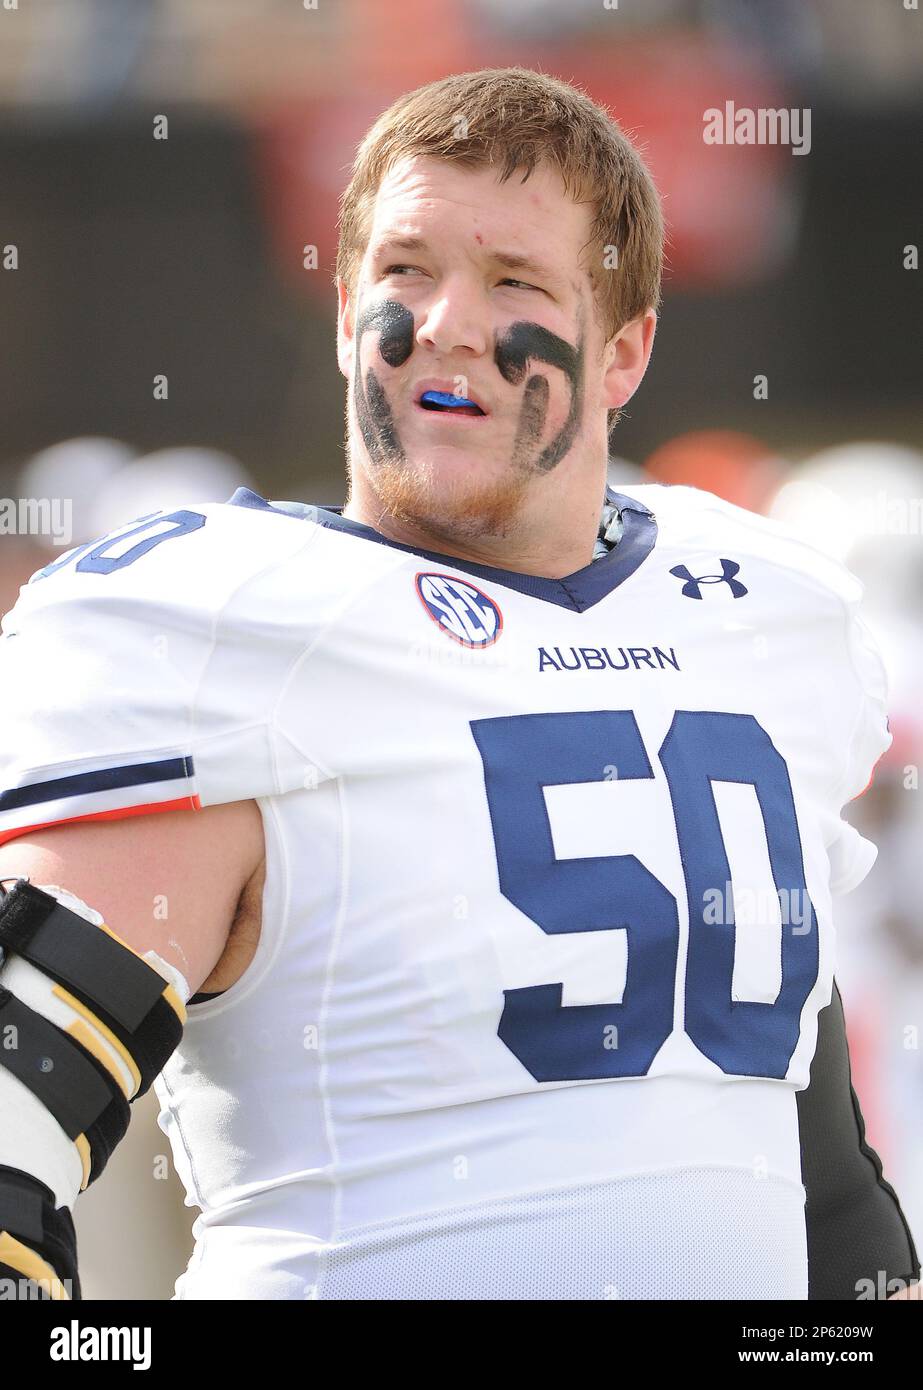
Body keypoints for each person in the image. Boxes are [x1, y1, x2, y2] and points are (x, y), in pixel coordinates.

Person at [0, 66, 918, 1301]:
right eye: (404, 270)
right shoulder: (226, 629)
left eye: (513, 281)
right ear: (342, 313)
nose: (444, 320)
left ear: (624, 352)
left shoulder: (756, 609)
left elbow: (818, 1187)